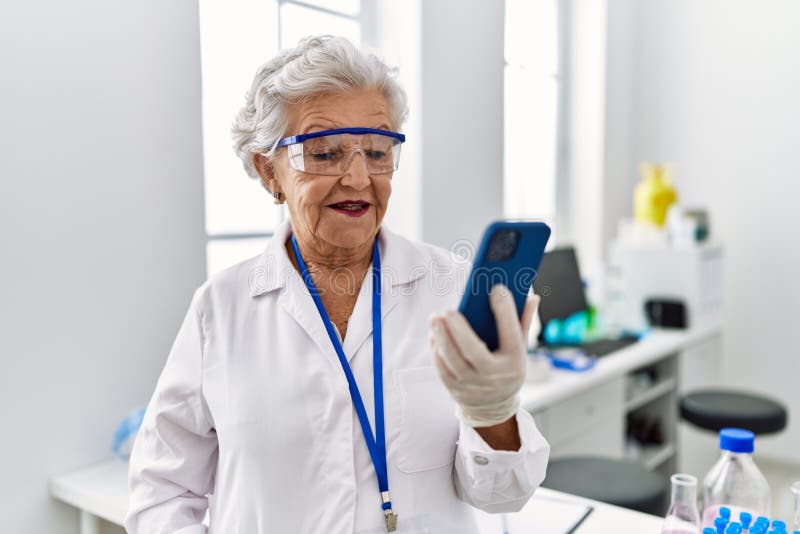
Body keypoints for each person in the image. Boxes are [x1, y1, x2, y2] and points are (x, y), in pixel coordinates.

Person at [125, 35, 549, 534]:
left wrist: (492, 411)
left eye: (376, 151)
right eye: (324, 153)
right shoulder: (220, 308)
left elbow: (505, 495)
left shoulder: (450, 287)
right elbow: (161, 491)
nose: (357, 177)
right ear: (269, 172)